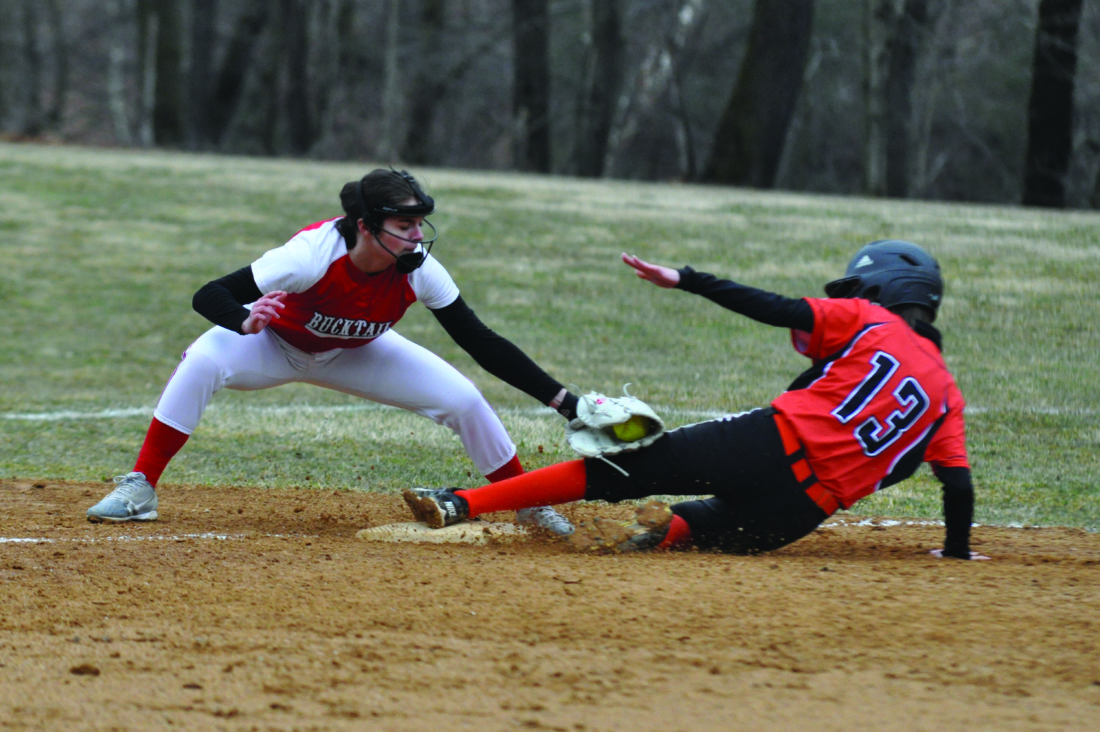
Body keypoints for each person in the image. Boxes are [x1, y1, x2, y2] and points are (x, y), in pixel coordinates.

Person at [404, 240, 988, 559]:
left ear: (884, 292)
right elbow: (955, 485)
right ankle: (661, 534)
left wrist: (687, 279)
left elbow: (778, 308)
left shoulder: (873, 322)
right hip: (795, 515)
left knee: (619, 470)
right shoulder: (947, 398)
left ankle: (464, 502)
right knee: (704, 525)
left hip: (766, 445)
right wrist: (955, 551)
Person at [87, 168, 579, 535]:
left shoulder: (418, 267)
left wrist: (563, 401)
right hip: (274, 341)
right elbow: (209, 293)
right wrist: (244, 320)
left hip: (357, 352)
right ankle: (140, 486)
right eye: (404, 224)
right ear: (365, 226)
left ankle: (527, 501)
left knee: (464, 399)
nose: (416, 235)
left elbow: (480, 341)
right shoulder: (310, 254)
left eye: (419, 224)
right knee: (204, 360)